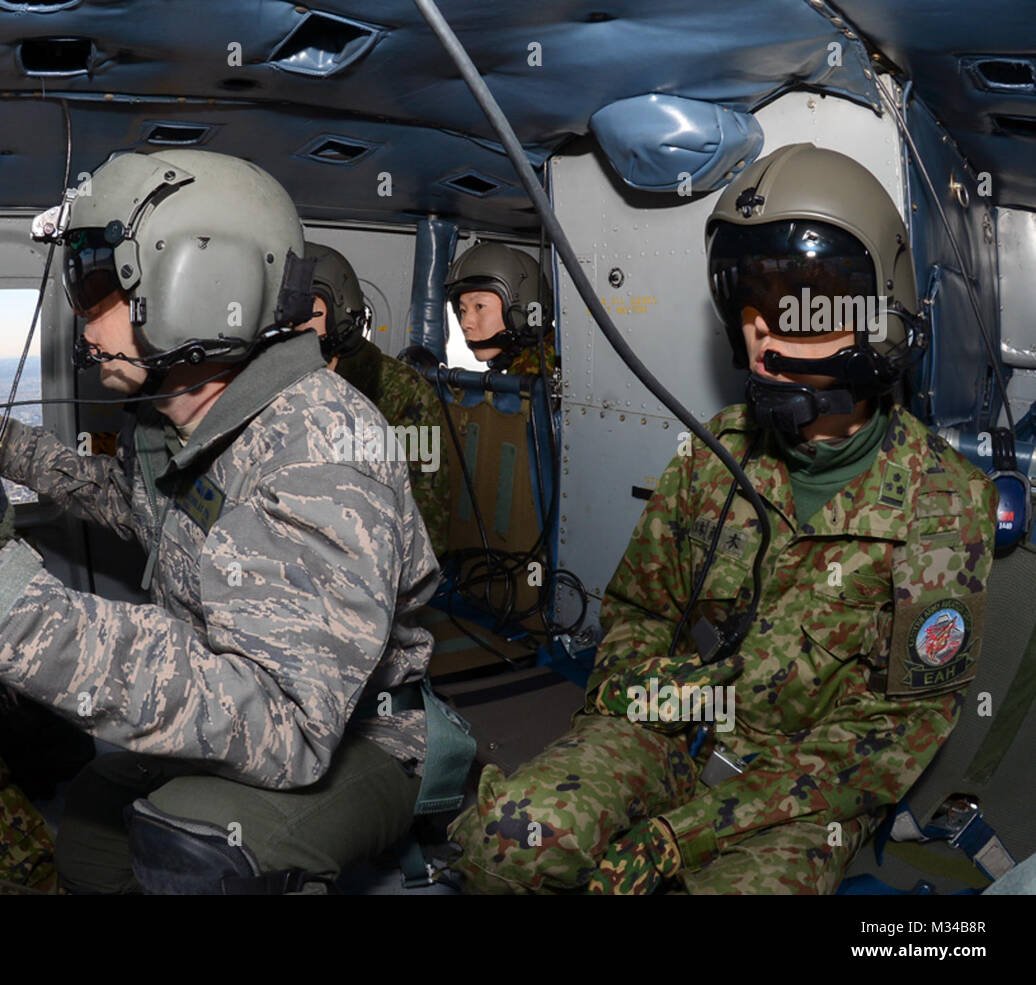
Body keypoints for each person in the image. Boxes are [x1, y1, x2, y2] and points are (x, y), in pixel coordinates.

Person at [0, 148, 448, 894]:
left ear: (198, 283)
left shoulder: (319, 449)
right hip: (235, 694)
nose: (80, 317)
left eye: (99, 285)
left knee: (188, 844)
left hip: (363, 738)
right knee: (92, 832)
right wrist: (1, 437)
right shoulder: (173, 423)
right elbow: (122, 497)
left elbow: (285, 724)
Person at [446, 142, 1000, 894]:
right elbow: (639, 610)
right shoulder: (715, 452)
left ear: (882, 316)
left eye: (800, 305)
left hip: (804, 795)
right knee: (505, 845)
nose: (760, 341)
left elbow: (889, 742)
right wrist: (643, 689)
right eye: (747, 307)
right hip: (675, 731)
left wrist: (685, 832)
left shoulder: (945, 499)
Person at [297, 241, 451, 557]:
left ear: (340, 307)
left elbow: (428, 510)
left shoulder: (403, 391)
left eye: (304, 305)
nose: (292, 320)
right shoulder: (273, 382)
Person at [444, 241, 554, 376]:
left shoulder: (537, 373)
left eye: (479, 306)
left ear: (530, 312)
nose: (465, 324)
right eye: (463, 310)